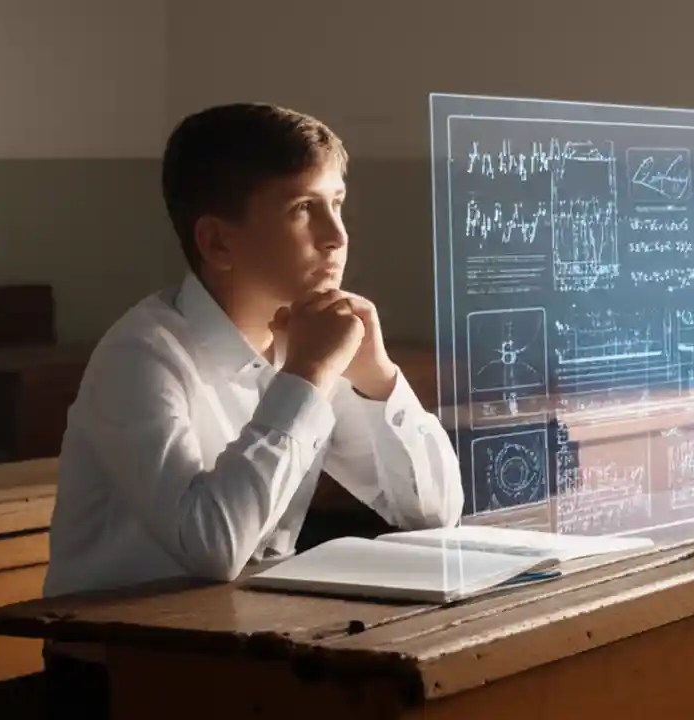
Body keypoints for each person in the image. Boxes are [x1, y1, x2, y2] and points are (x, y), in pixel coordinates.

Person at [40, 103, 464, 717]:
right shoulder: (142, 354)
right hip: (118, 675)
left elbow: (433, 510)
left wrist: (376, 379)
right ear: (217, 241)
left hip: (241, 650)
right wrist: (310, 377)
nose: (336, 235)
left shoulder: (303, 337)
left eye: (337, 202)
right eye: (302, 209)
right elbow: (211, 545)